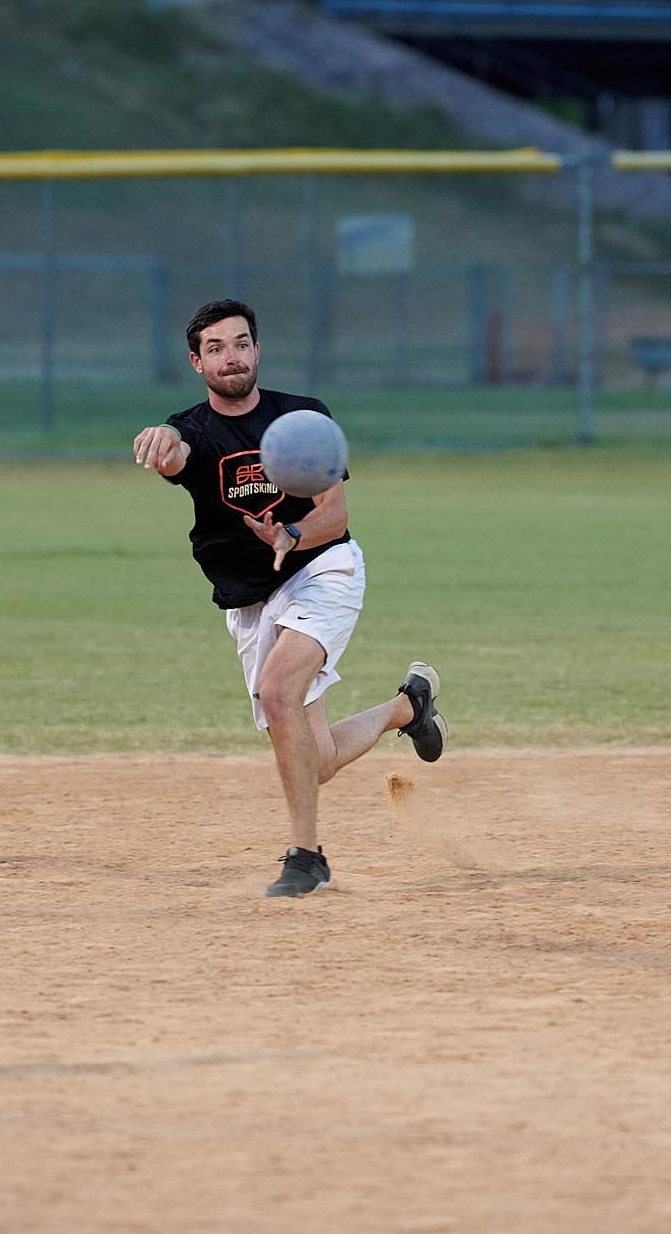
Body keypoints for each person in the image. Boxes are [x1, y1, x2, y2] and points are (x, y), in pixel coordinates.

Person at [132, 299, 446, 898]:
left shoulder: (303, 419)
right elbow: (174, 451)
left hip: (320, 570)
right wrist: (163, 438)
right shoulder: (193, 430)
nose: (231, 357)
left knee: (278, 691)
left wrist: (291, 535)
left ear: (257, 350)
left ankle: (306, 858)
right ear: (197, 363)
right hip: (250, 601)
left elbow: (336, 515)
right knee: (316, 761)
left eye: (241, 343)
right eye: (216, 348)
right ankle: (408, 707)